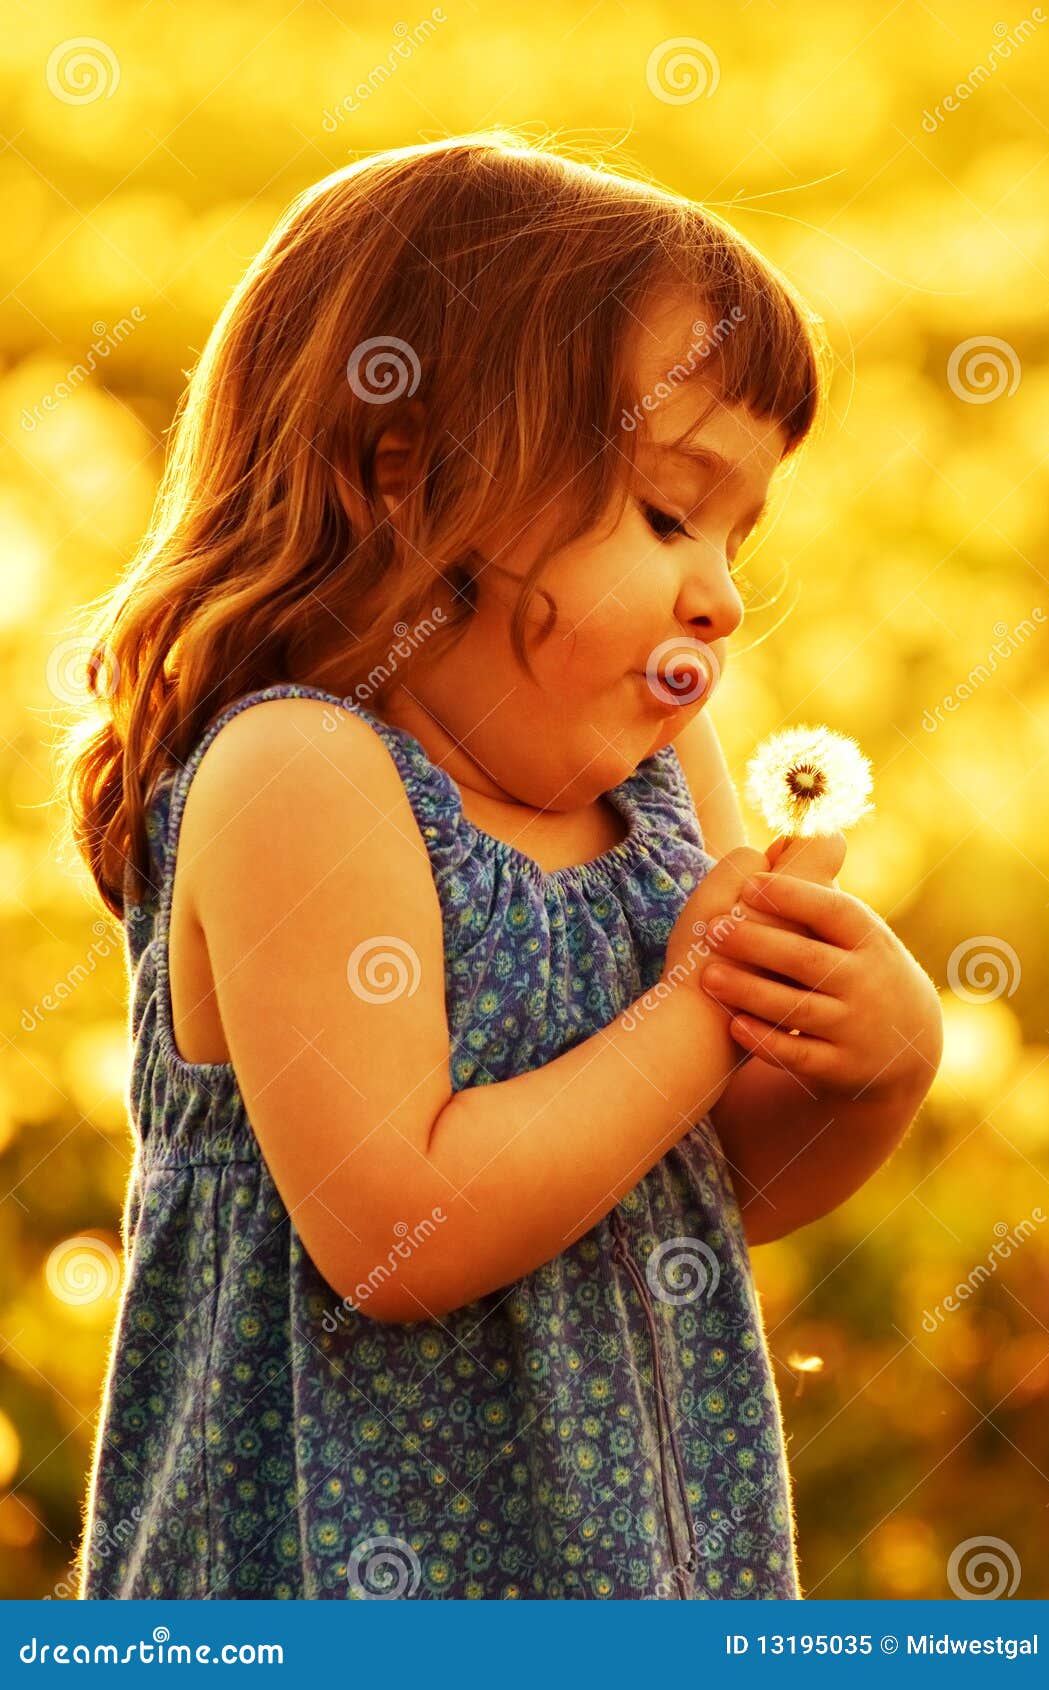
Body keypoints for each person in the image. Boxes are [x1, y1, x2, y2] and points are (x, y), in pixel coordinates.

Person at [62, 132, 942, 1600]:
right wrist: (702, 1006)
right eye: (670, 510)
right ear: (407, 477)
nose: (719, 596)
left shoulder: (661, 778)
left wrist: (872, 1070)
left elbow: (705, 1180)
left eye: (738, 532)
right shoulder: (300, 773)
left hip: (640, 1567)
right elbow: (403, 1229)